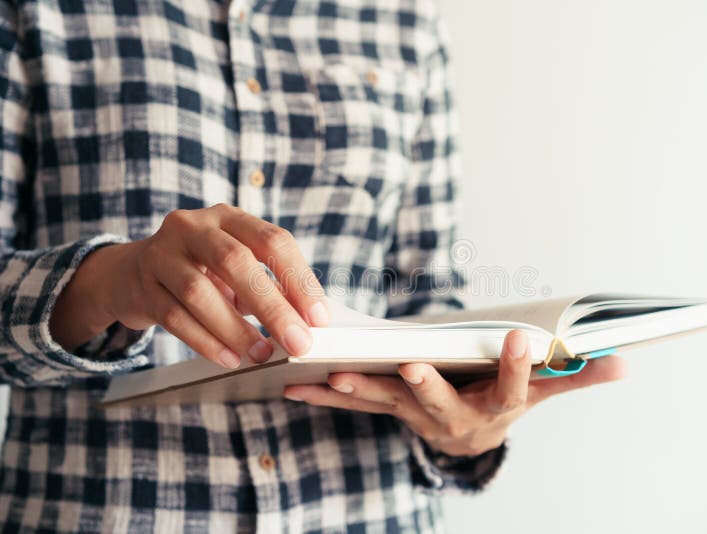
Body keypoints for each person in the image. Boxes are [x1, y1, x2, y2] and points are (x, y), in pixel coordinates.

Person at [0, 0, 625, 531]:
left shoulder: (403, 19)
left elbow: (427, 297)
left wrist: (465, 426)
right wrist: (114, 281)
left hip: (369, 508)